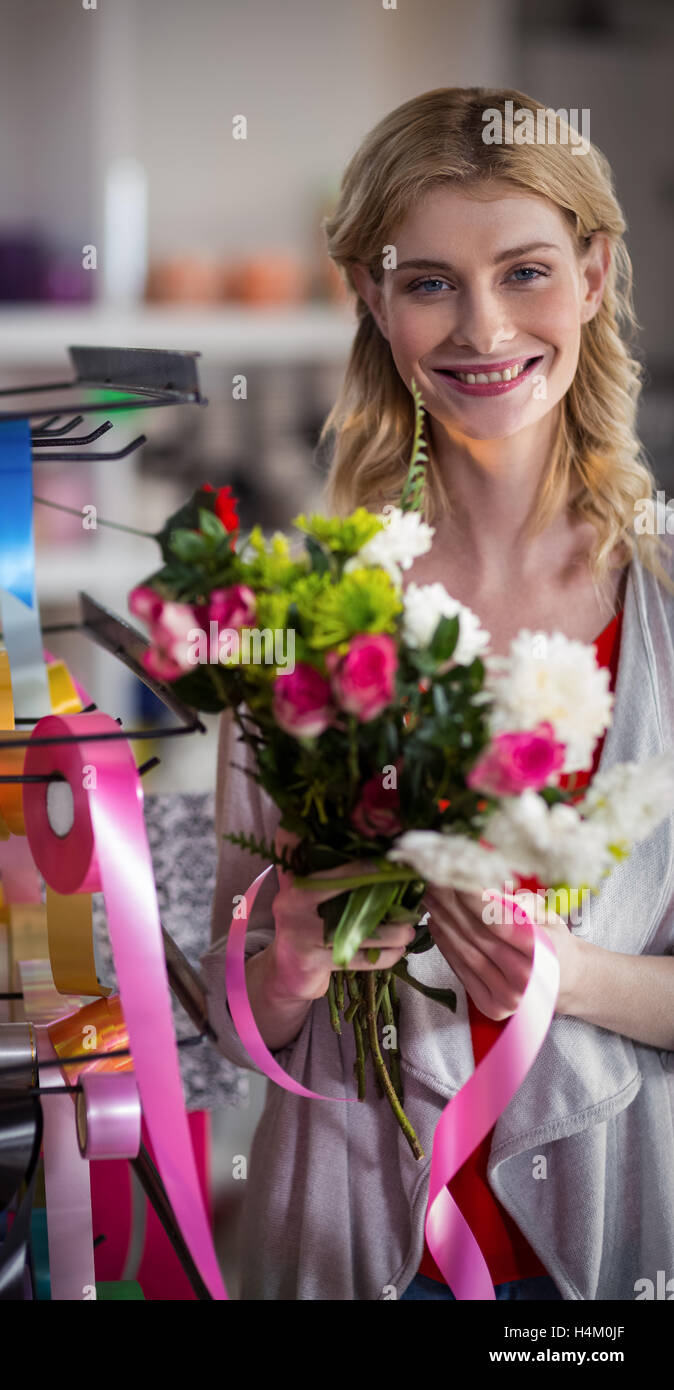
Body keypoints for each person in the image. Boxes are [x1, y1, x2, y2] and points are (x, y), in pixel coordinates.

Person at [198, 86, 674, 1301]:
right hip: (351, 1248)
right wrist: (283, 971)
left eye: (522, 272)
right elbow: (227, 997)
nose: (480, 328)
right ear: (370, 294)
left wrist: (569, 977)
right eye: (426, 283)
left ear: (591, 271)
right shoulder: (305, 606)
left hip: (617, 1248)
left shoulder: (664, 595)